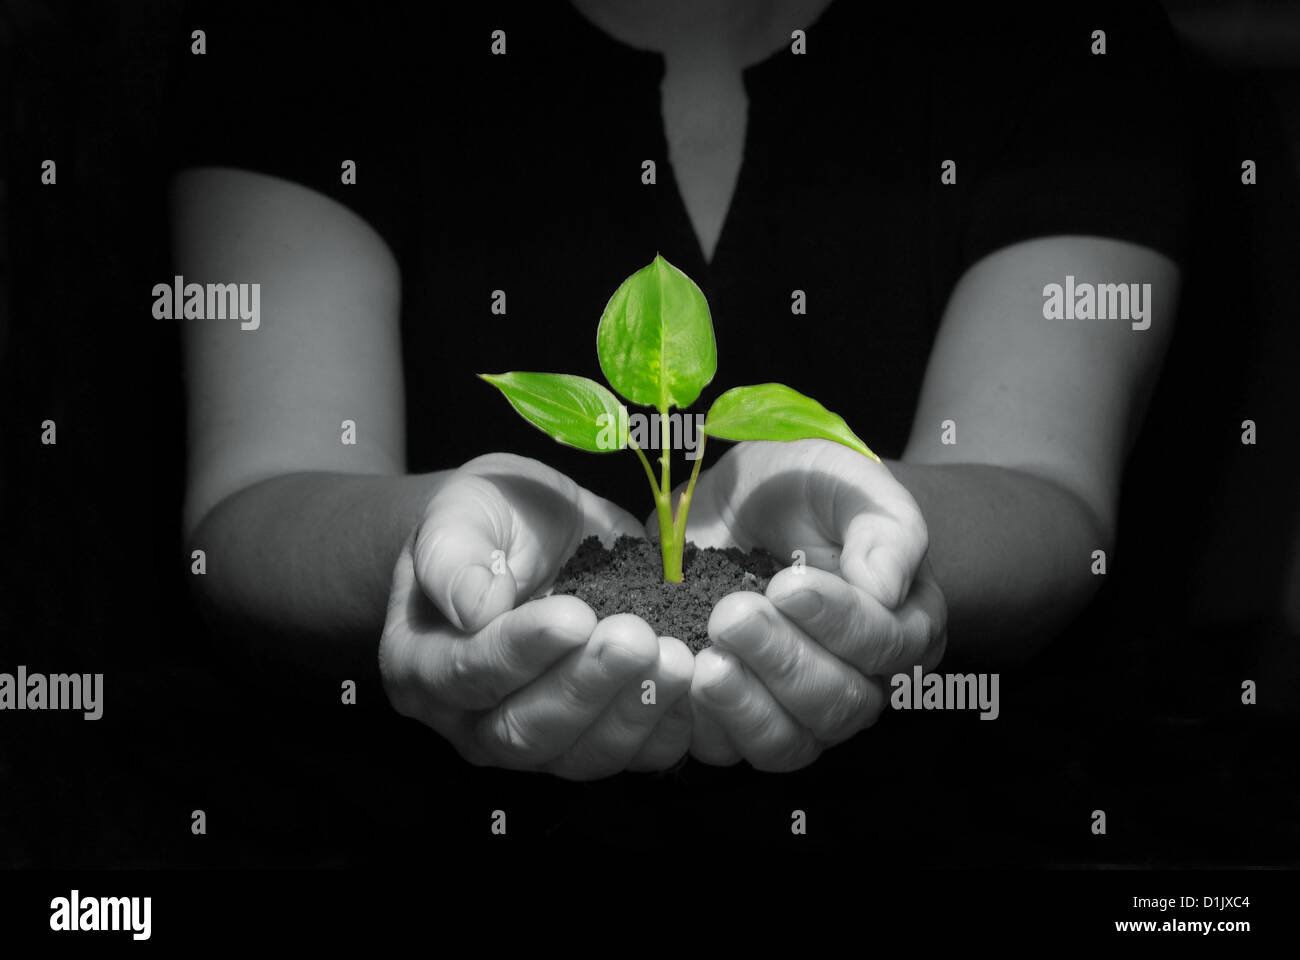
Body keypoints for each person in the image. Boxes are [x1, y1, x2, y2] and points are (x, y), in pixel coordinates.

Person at [169, 0, 1190, 789]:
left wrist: (874, 535)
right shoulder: (312, 33)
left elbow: (1047, 489)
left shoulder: (1056, 37)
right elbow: (251, 505)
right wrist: (425, 543)